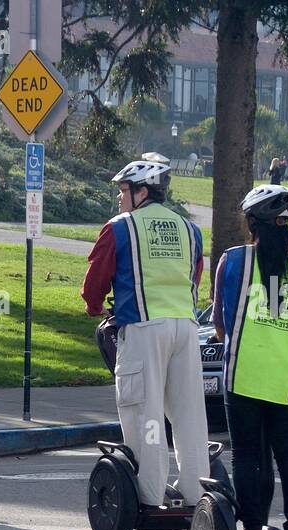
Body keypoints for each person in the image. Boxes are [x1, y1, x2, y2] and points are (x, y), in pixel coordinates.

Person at [81, 154, 207, 508]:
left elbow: (95, 281)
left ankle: (149, 495)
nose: (120, 198)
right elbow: (193, 277)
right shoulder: (190, 230)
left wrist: (96, 307)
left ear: (141, 191)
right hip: (185, 329)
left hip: (143, 328)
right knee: (189, 415)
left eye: (123, 190)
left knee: (145, 413)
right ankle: (196, 494)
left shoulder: (121, 227)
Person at [210, 185, 288, 530]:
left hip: (244, 376)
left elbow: (220, 323)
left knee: (248, 456)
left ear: (252, 221)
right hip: (286, 376)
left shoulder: (234, 261)